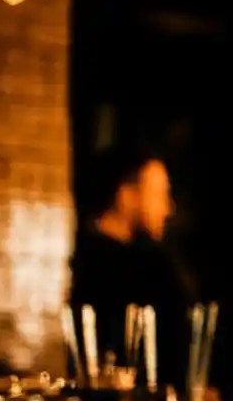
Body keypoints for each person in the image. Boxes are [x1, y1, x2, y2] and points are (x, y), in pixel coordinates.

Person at [69, 150, 196, 385]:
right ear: (126, 195)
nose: (167, 208)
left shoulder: (147, 263)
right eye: (159, 195)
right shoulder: (143, 269)